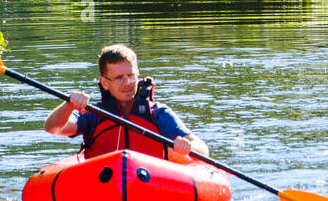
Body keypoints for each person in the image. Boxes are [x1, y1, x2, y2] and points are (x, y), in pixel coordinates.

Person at [44, 43, 209, 162]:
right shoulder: (93, 114)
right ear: (105, 83)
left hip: (150, 183)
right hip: (103, 182)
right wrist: (69, 105)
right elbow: (53, 128)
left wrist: (186, 147)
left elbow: (202, 149)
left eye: (131, 76)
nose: (128, 83)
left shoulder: (158, 113)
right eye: (119, 78)